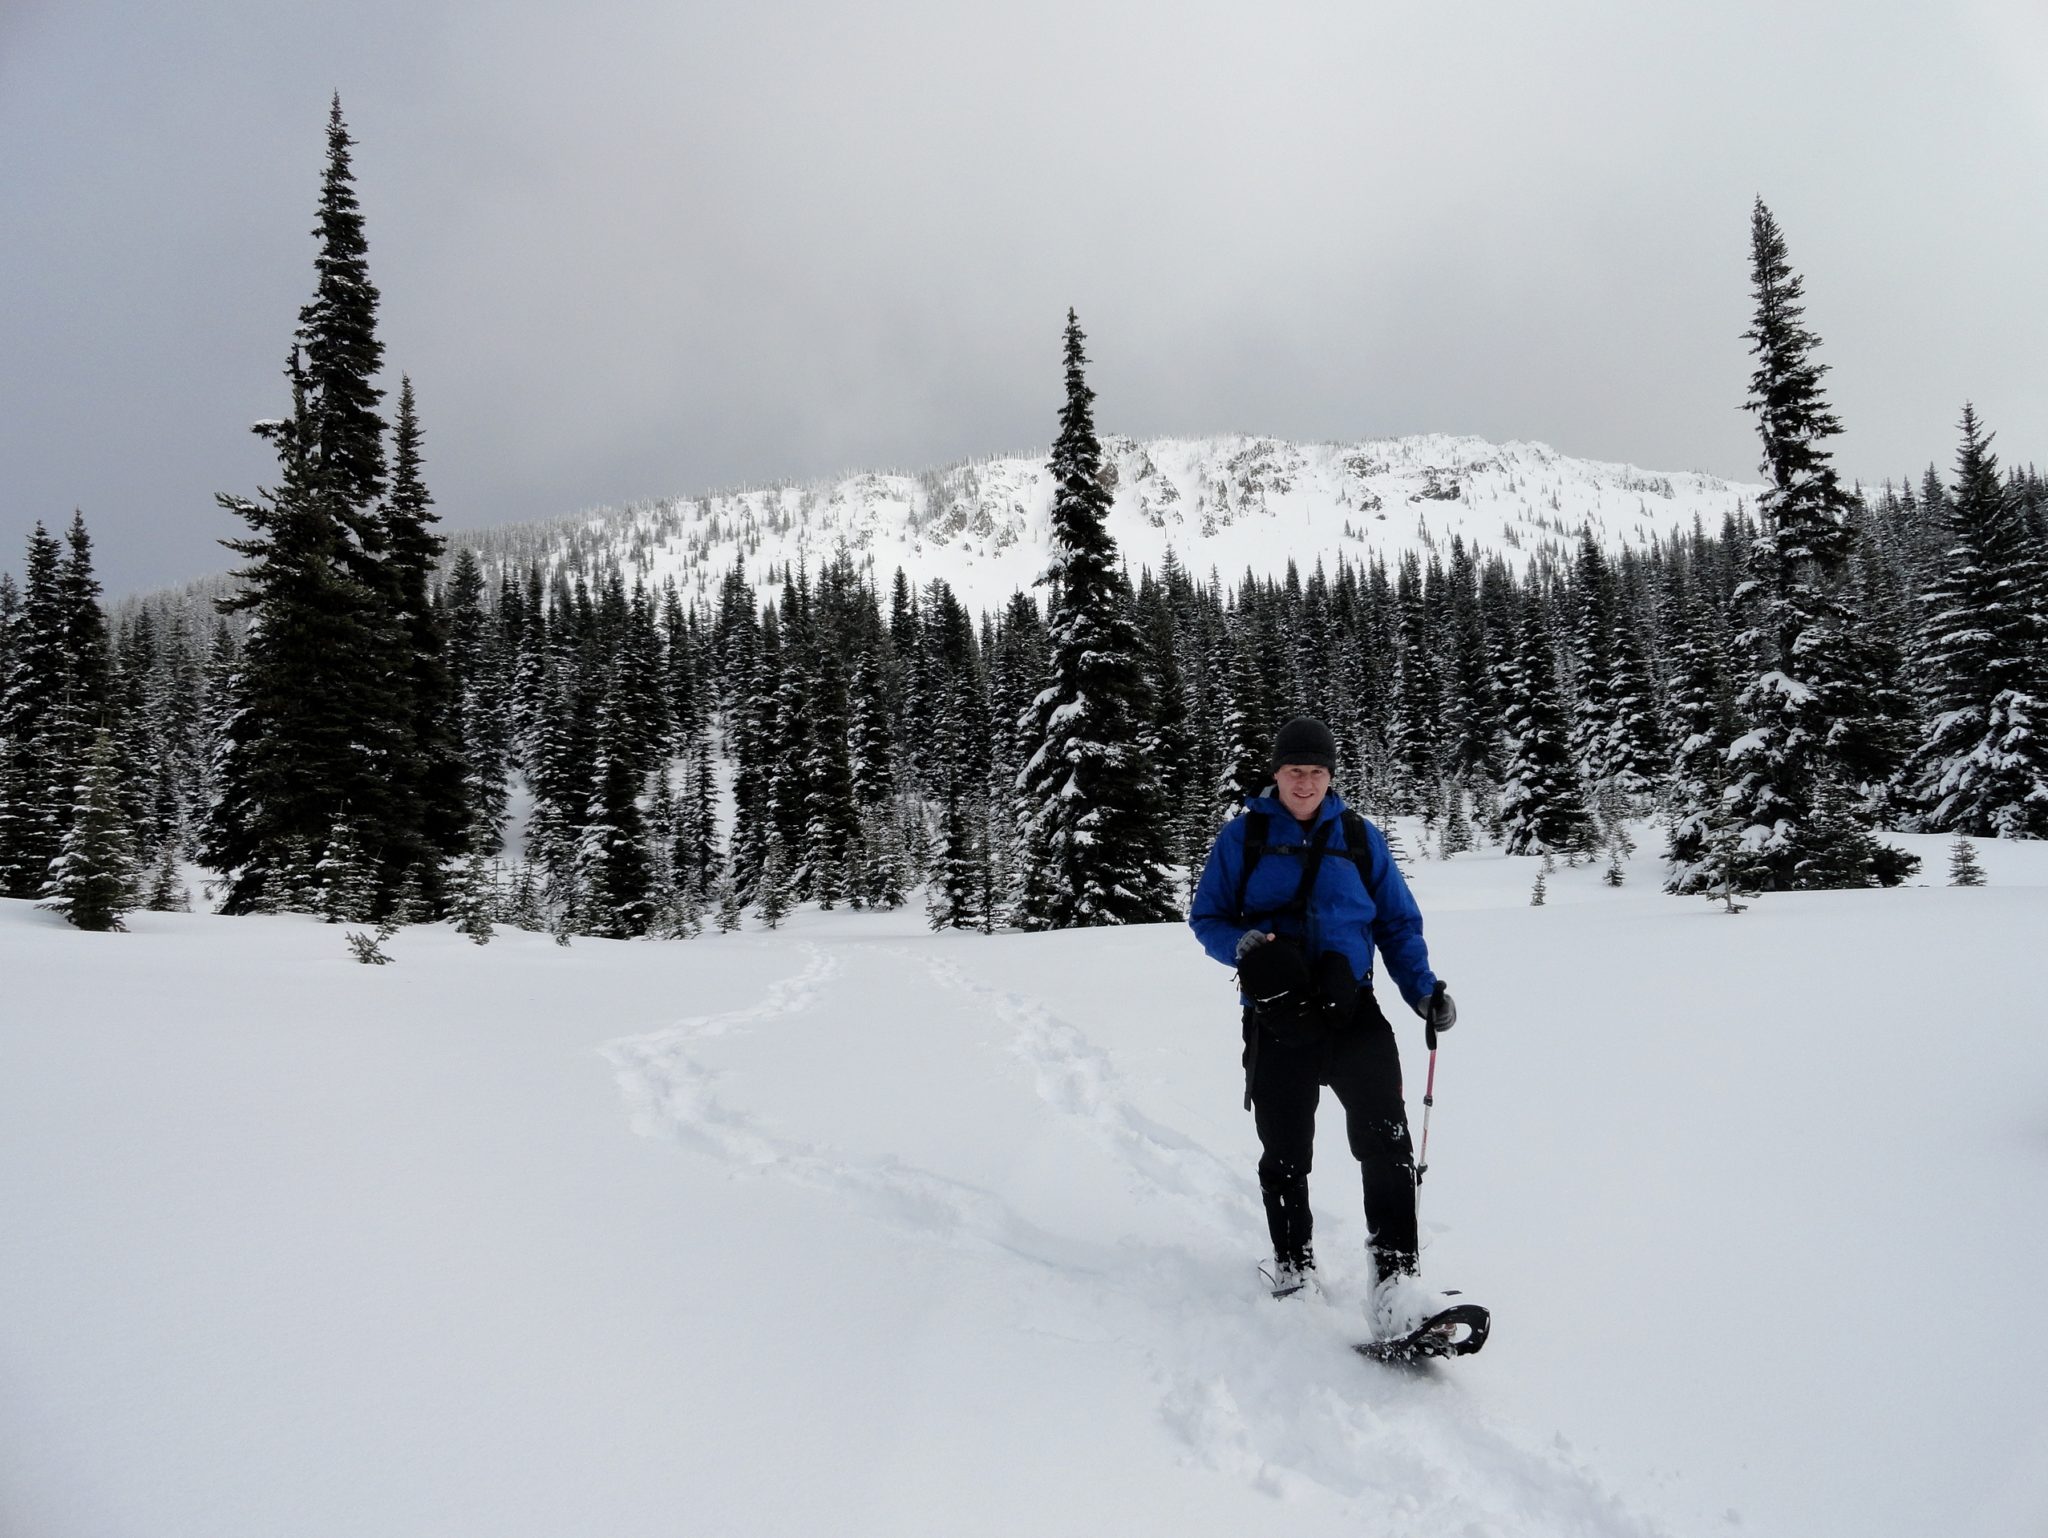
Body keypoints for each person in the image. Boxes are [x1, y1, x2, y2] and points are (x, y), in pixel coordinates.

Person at [1188, 716, 1462, 1340]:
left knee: (1387, 1142)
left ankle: (1396, 1283)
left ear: (1331, 776)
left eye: (1316, 772)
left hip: (1353, 1010)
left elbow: (1396, 923)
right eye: (1294, 771)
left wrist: (1422, 991)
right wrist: (1244, 944)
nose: (1305, 783)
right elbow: (1207, 918)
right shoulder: (1244, 838)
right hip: (1278, 1014)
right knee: (1286, 1150)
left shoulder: (1360, 839)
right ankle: (1293, 1263)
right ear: (1276, 774)